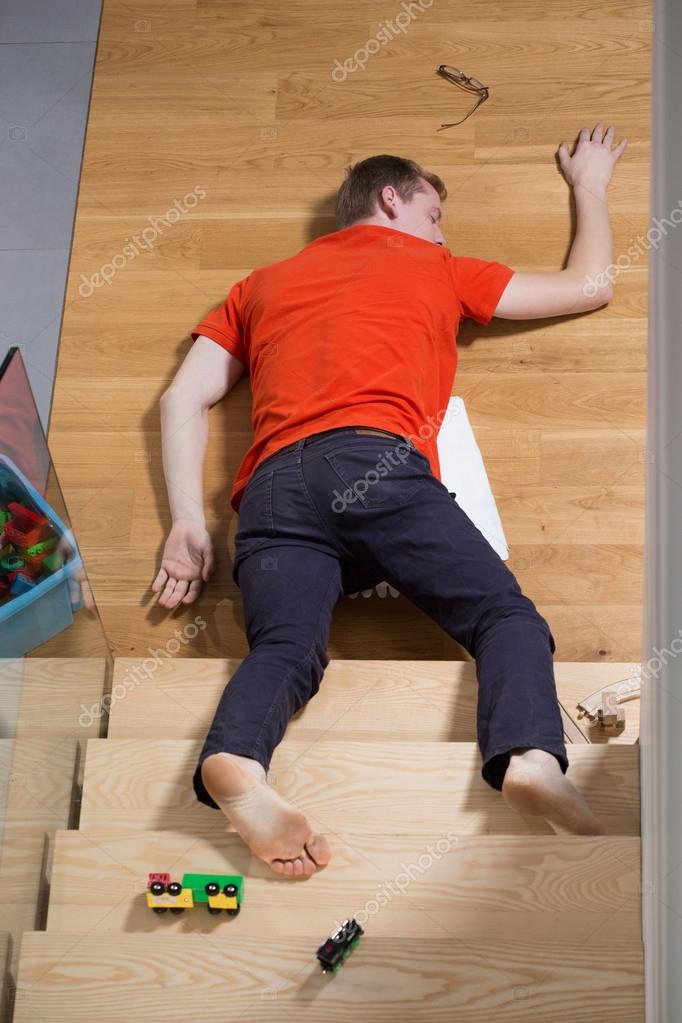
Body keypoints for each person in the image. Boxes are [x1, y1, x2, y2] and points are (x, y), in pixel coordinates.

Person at [153, 123, 628, 878]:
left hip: (273, 489)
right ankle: (531, 756)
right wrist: (590, 185)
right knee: (503, 616)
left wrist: (186, 521)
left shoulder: (259, 284)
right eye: (434, 215)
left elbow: (183, 398)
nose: (442, 233)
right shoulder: (434, 266)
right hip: (371, 461)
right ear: (392, 197)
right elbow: (590, 286)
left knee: (286, 648)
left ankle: (239, 756)